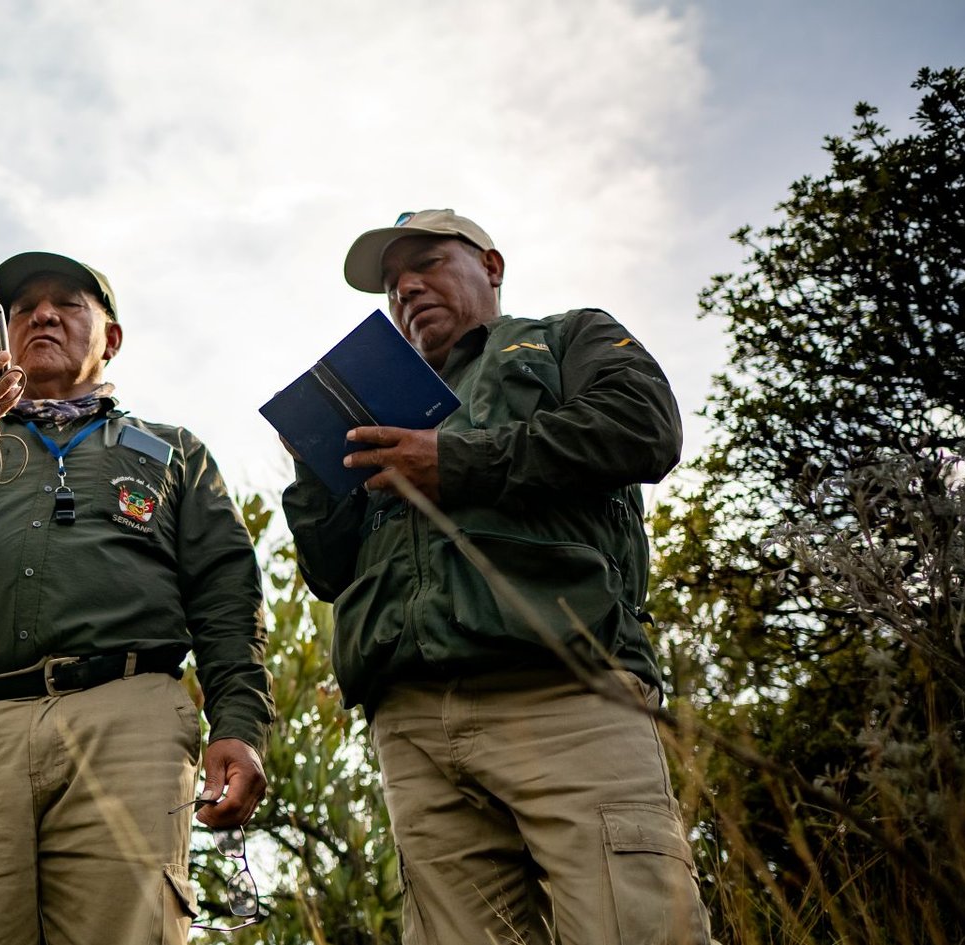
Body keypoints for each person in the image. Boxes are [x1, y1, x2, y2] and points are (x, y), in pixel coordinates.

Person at [283, 210, 712, 943]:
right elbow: (330, 573)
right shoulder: (383, 408)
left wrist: (456, 460)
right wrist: (316, 470)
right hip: (415, 723)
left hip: (563, 688)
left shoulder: (564, 338)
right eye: (391, 283)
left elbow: (645, 427)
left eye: (426, 262)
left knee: (631, 924)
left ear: (491, 264)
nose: (407, 286)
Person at [0, 252, 273, 945]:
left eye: (67, 303)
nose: (41, 314)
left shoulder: (172, 450)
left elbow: (227, 596)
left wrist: (239, 724)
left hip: (127, 721)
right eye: (22, 307)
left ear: (112, 338)